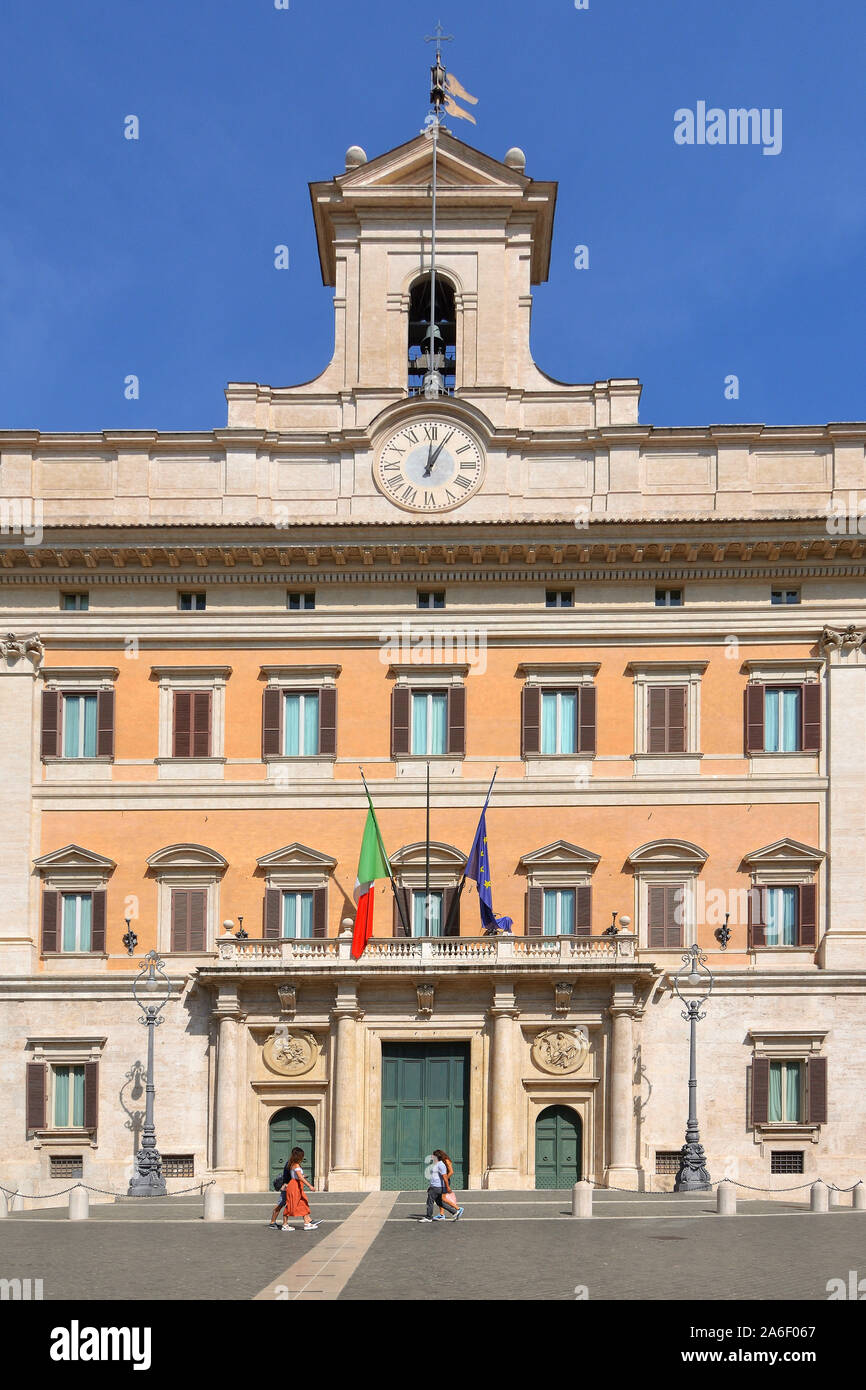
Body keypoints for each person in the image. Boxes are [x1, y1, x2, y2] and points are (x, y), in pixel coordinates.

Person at [279, 1147, 319, 1232]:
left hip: (297, 1185)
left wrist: (301, 1177)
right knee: (290, 1204)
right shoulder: (295, 1165)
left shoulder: (293, 1164)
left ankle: (307, 1223)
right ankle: (285, 1225)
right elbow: (300, 1177)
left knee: (303, 1203)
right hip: (294, 1186)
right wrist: (310, 1186)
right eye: (302, 1155)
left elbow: (298, 1176)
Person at [421, 1148, 464, 1222]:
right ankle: (454, 1212)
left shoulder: (441, 1164)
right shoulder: (437, 1164)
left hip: (438, 1186)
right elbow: (435, 1177)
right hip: (435, 1186)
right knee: (440, 1202)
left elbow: (445, 1176)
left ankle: (429, 1217)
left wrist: (447, 1186)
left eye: (433, 1155)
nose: (431, 1156)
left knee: (430, 1202)